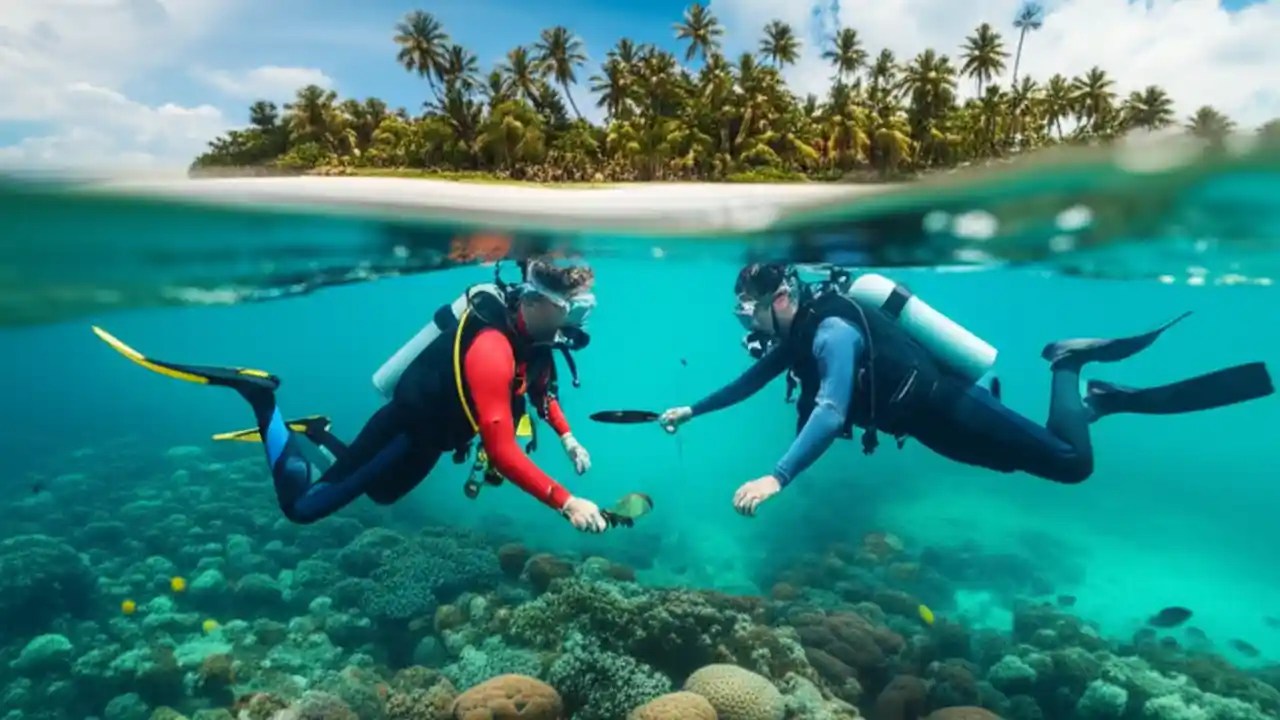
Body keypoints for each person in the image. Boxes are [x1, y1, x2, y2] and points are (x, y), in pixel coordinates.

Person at [659, 262, 1274, 516]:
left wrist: (778, 476)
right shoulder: (797, 337)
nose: (747, 323)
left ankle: (1068, 367)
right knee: (1010, 463)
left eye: (749, 311)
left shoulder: (832, 334)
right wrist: (691, 410)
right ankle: (1091, 405)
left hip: (945, 404)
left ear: (783, 298)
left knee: (1070, 465)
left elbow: (828, 410)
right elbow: (748, 382)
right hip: (928, 424)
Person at [91, 259, 613, 533]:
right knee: (303, 508)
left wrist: (568, 439)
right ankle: (259, 396)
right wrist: (564, 502)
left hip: (429, 442)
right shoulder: (493, 348)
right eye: (574, 308)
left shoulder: (535, 342)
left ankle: (314, 431)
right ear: (539, 302)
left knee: (382, 496)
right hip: (405, 431)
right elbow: (501, 449)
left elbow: (539, 392)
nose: (579, 319)